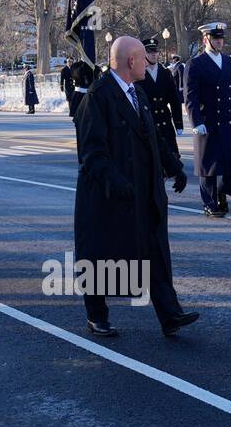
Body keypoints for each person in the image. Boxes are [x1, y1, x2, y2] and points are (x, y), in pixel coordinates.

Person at [74, 35, 196, 339]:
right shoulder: (98, 96)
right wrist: (117, 183)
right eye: (144, 58)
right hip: (110, 196)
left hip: (144, 189)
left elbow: (151, 137)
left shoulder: (137, 93)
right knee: (102, 255)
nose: (149, 62)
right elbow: (91, 153)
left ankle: (170, 314)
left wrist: (174, 167)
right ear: (131, 61)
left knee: (153, 250)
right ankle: (97, 316)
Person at [184, 22, 231, 216]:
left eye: (221, 38)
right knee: (209, 167)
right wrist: (196, 122)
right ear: (206, 40)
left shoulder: (229, 62)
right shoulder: (196, 64)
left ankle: (222, 194)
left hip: (228, 120)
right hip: (208, 121)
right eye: (215, 39)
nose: (220, 42)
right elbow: (191, 97)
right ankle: (209, 202)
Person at [139, 37, 184, 149]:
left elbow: (174, 100)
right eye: (149, 52)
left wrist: (178, 122)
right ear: (144, 54)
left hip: (165, 122)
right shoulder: (138, 74)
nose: (153, 54)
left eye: (155, 51)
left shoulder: (165, 73)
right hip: (148, 123)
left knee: (172, 159)